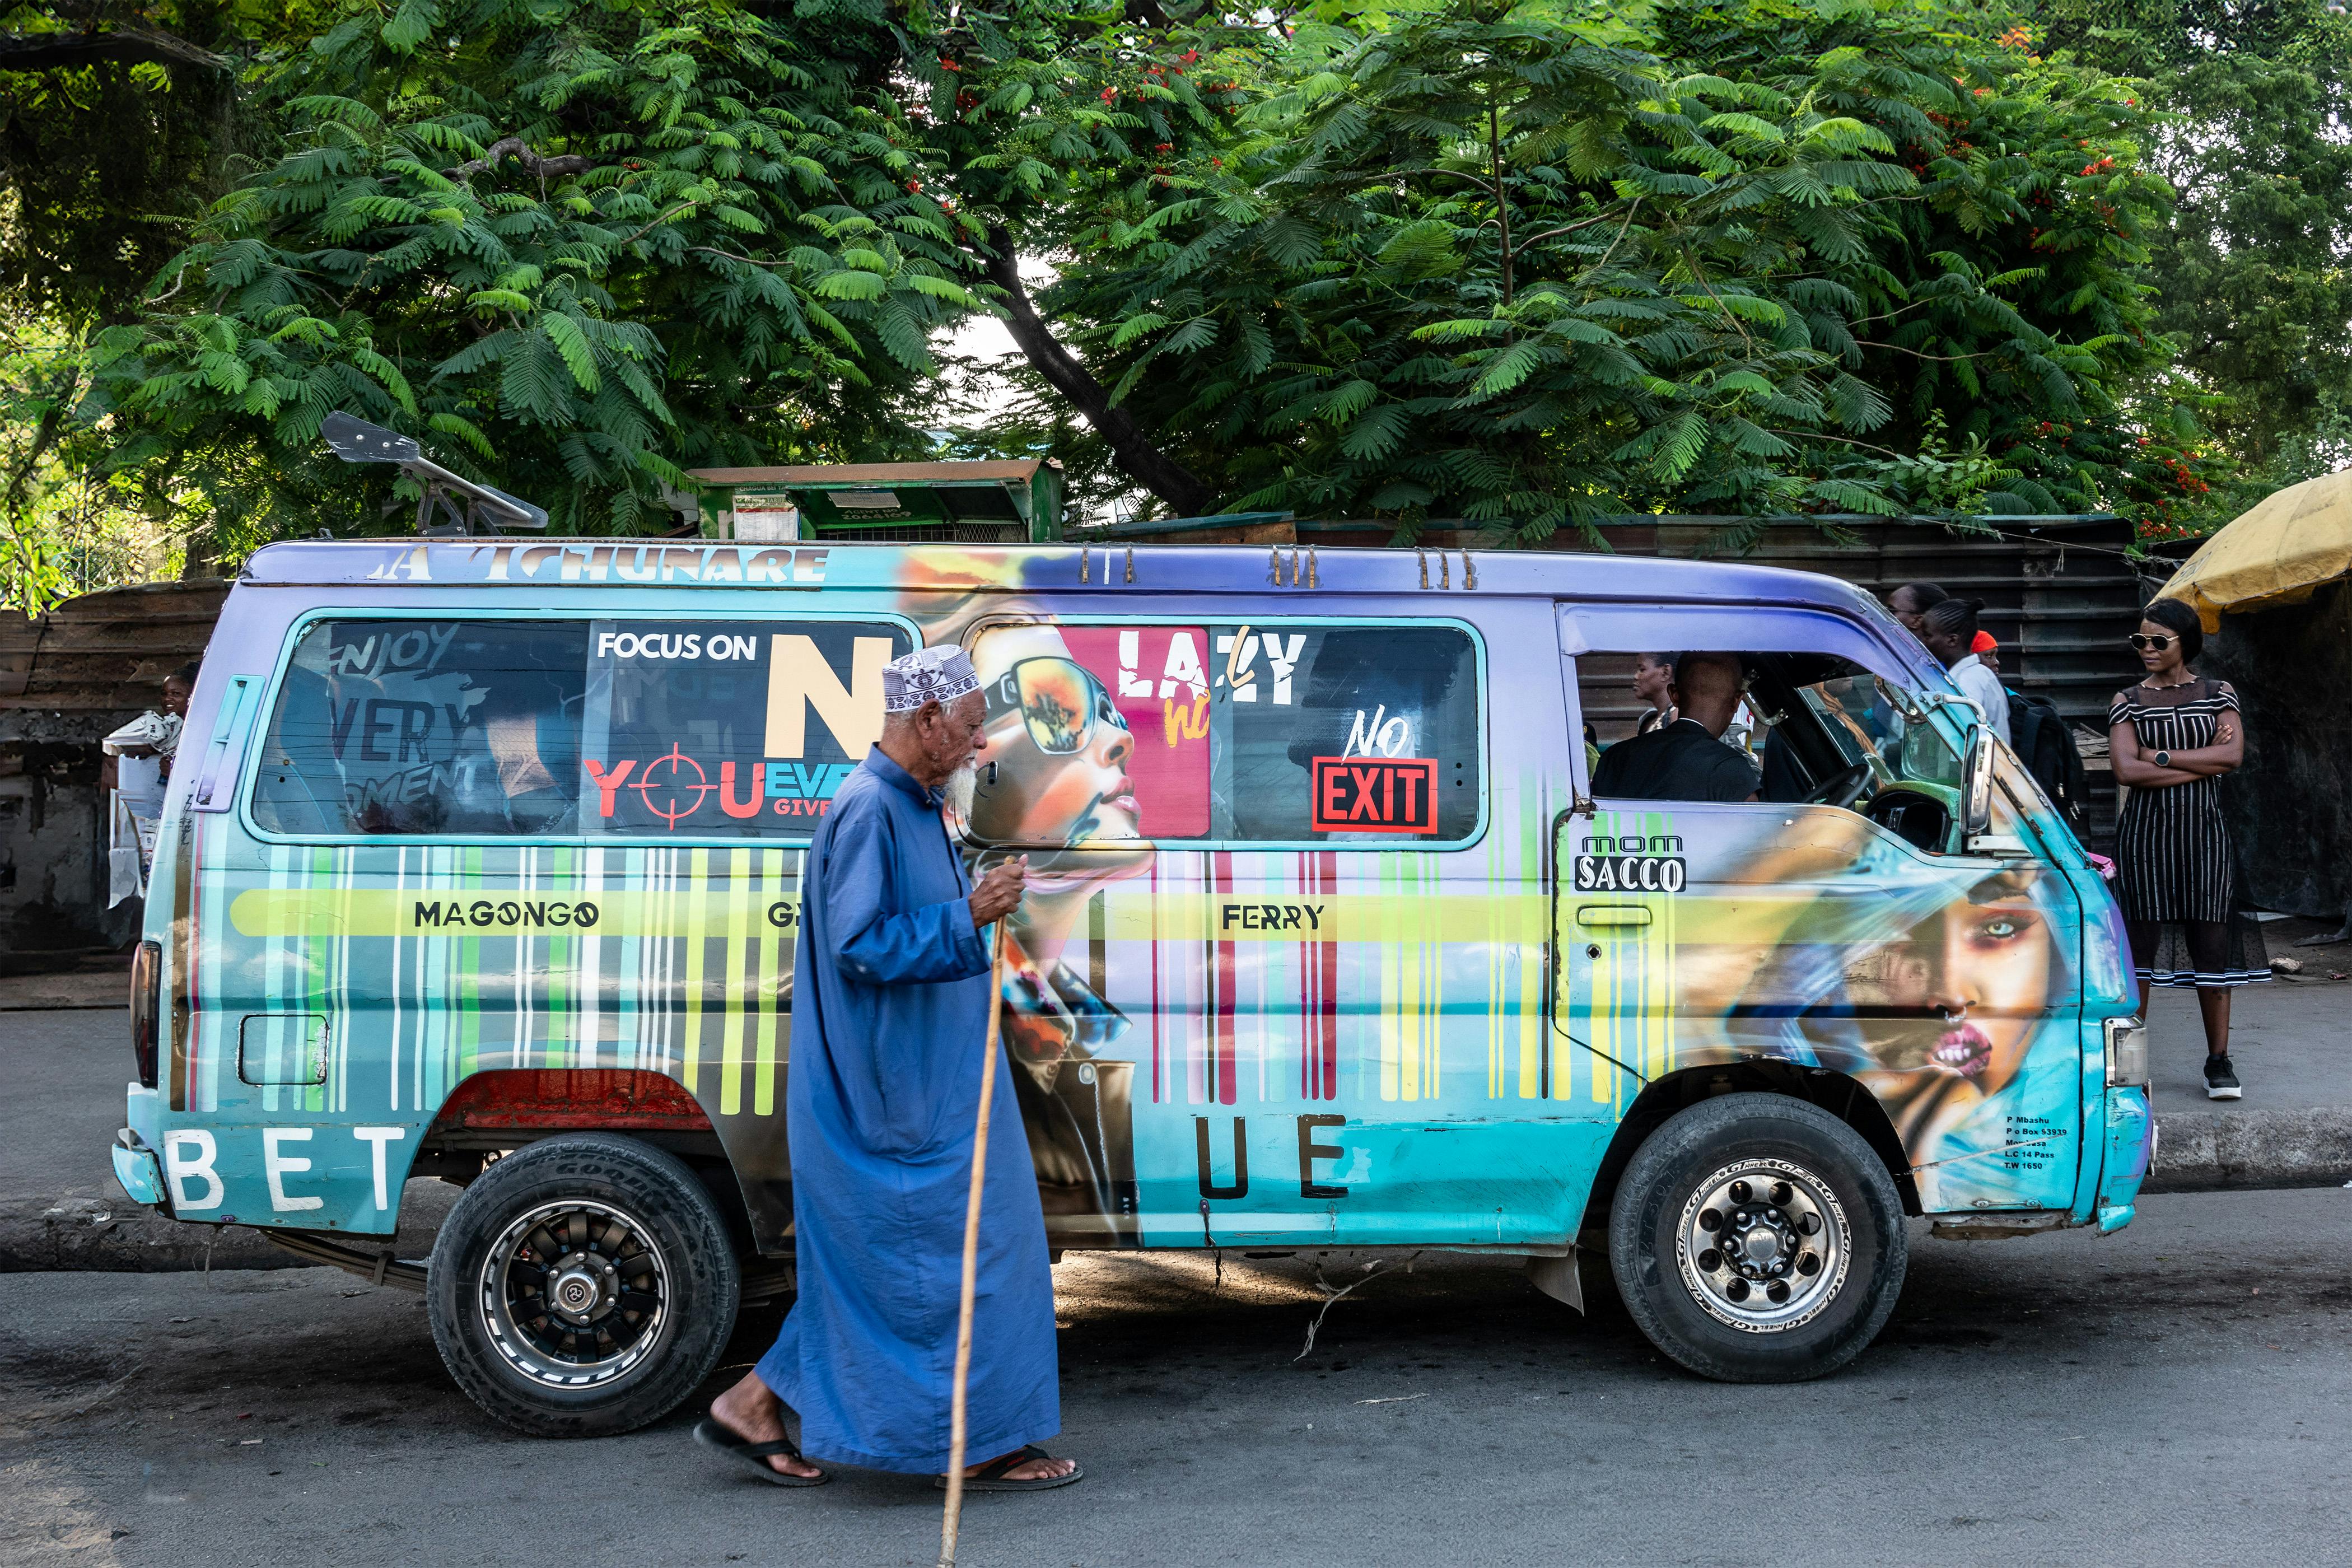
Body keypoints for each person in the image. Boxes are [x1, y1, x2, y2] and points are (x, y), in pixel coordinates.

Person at [697, 646, 1081, 1491]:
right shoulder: (870, 807)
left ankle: (753, 1404)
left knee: (892, 1270)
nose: (981, 745)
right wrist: (970, 913)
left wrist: (972, 898)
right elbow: (861, 944)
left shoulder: (915, 804)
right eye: (973, 726)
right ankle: (969, 1445)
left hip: (926, 1082)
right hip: (892, 1098)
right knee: (953, 1263)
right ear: (929, 719)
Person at [2107, 597, 2267, 1099]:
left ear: (2186, 643)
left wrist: (2158, 756)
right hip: (2145, 838)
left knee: (2212, 949)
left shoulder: (2219, 692)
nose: (2147, 649)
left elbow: (2234, 755)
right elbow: (2125, 771)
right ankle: (2128, 1069)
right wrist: (2201, 760)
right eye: (2141, 641)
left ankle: (2219, 1063)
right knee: (2140, 955)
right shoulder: (2126, 699)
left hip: (2205, 835)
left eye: (2159, 641)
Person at [1590, 651, 1760, 802]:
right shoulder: (1730, 768)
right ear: (1737, 701)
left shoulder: (1615, 757)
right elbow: (1756, 832)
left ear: (1674, 695)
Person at [101, 660, 197, 905]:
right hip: (155, 812)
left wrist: (176, 770)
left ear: (192, 695)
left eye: (177, 694)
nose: (168, 700)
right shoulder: (160, 728)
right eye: (165, 694)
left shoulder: (198, 730)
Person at [1919, 598, 2010, 747]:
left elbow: (1958, 744)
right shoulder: (1978, 674)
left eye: (1928, 636)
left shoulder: (1968, 682)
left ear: (1953, 640)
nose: (1924, 642)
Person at [1630, 651, 1677, 735]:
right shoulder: (1648, 720)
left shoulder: (1677, 717)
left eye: (1642, 669)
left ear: (1665, 673)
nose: (1636, 677)